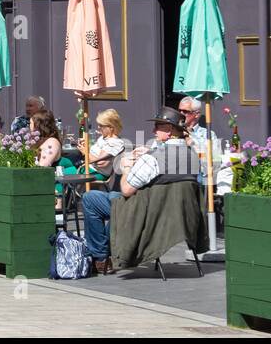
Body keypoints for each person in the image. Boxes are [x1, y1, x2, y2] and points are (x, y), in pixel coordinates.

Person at [80, 106, 198, 275]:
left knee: (90, 198)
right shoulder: (191, 156)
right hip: (175, 214)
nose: (153, 130)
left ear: (169, 129)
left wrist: (127, 166)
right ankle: (106, 255)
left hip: (145, 214)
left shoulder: (154, 159)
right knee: (113, 197)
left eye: (157, 126)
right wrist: (149, 152)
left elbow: (127, 189)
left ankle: (100, 258)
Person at [80, 108, 130, 180]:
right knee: (62, 170)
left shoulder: (115, 143)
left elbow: (100, 163)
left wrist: (85, 152)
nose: (98, 127)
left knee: (62, 175)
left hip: (96, 173)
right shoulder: (103, 138)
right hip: (87, 169)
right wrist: (86, 147)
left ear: (111, 127)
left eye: (101, 125)